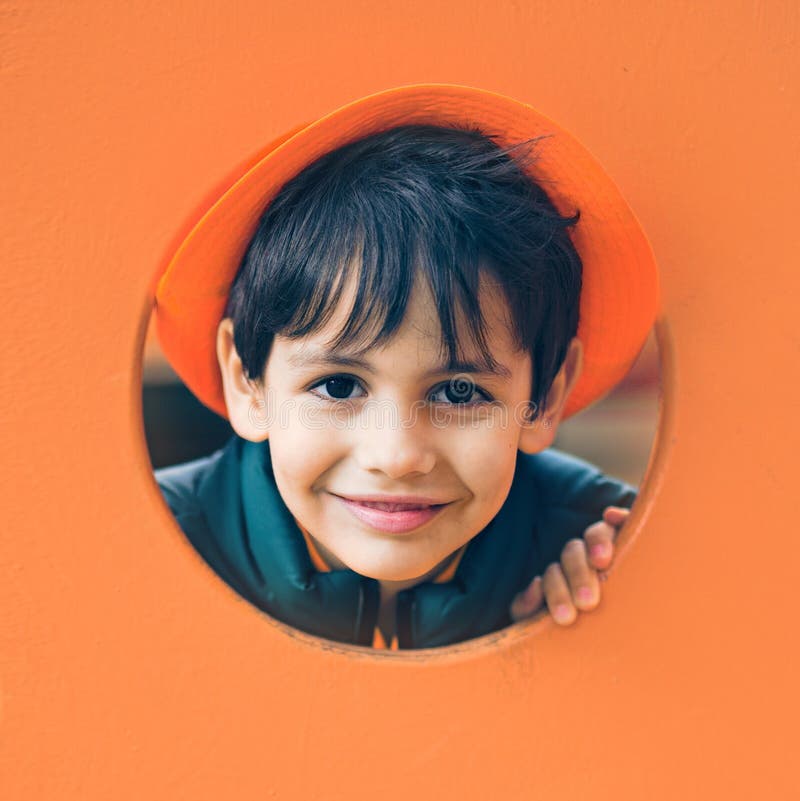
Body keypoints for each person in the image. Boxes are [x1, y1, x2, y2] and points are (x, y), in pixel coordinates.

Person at [152, 84, 659, 650]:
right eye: (338, 385)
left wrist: (583, 630)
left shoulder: (592, 541)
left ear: (544, 394)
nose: (395, 457)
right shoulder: (157, 541)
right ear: (248, 380)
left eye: (460, 392)